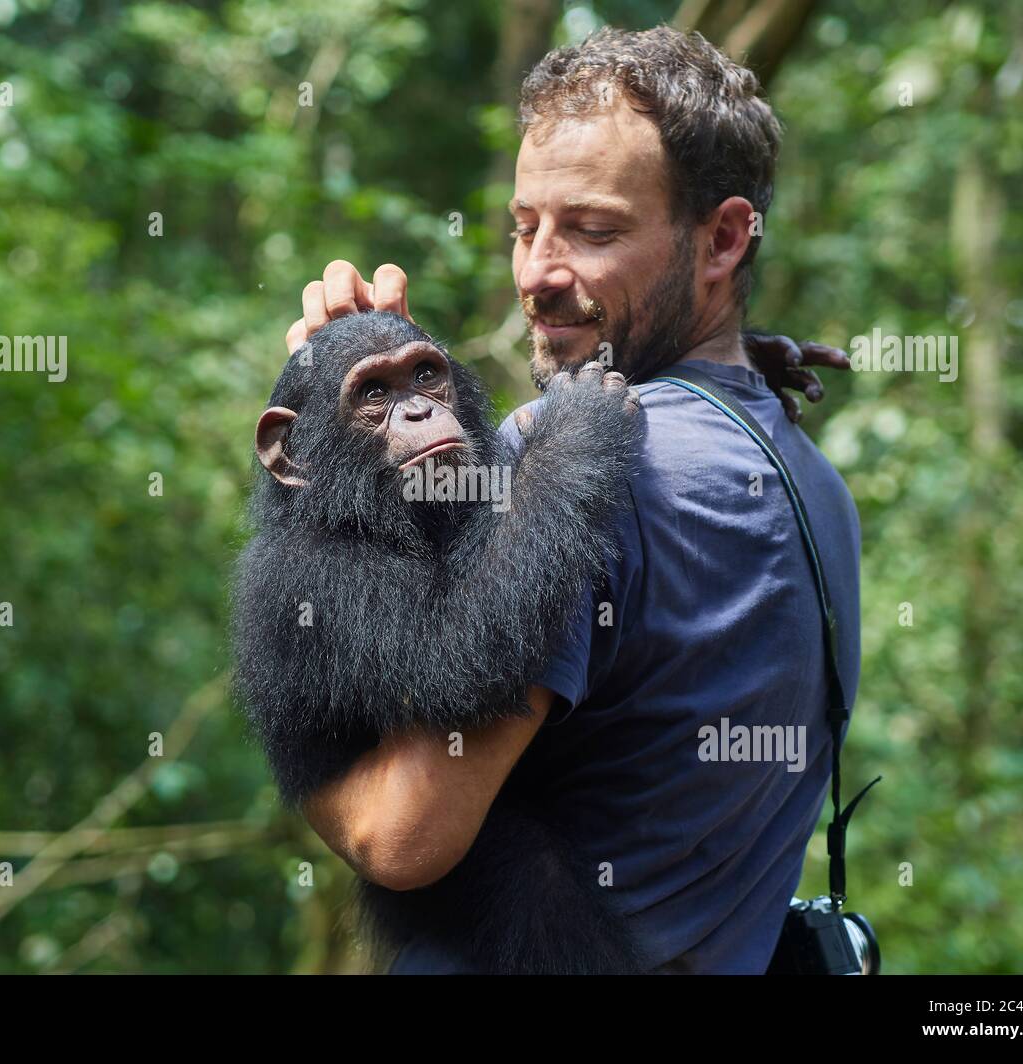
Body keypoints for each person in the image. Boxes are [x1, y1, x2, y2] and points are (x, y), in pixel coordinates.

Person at [288, 26, 861, 974]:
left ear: (723, 238)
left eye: (593, 231)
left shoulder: (574, 457)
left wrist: (315, 465)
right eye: (524, 226)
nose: (537, 274)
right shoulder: (815, 484)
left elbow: (403, 835)